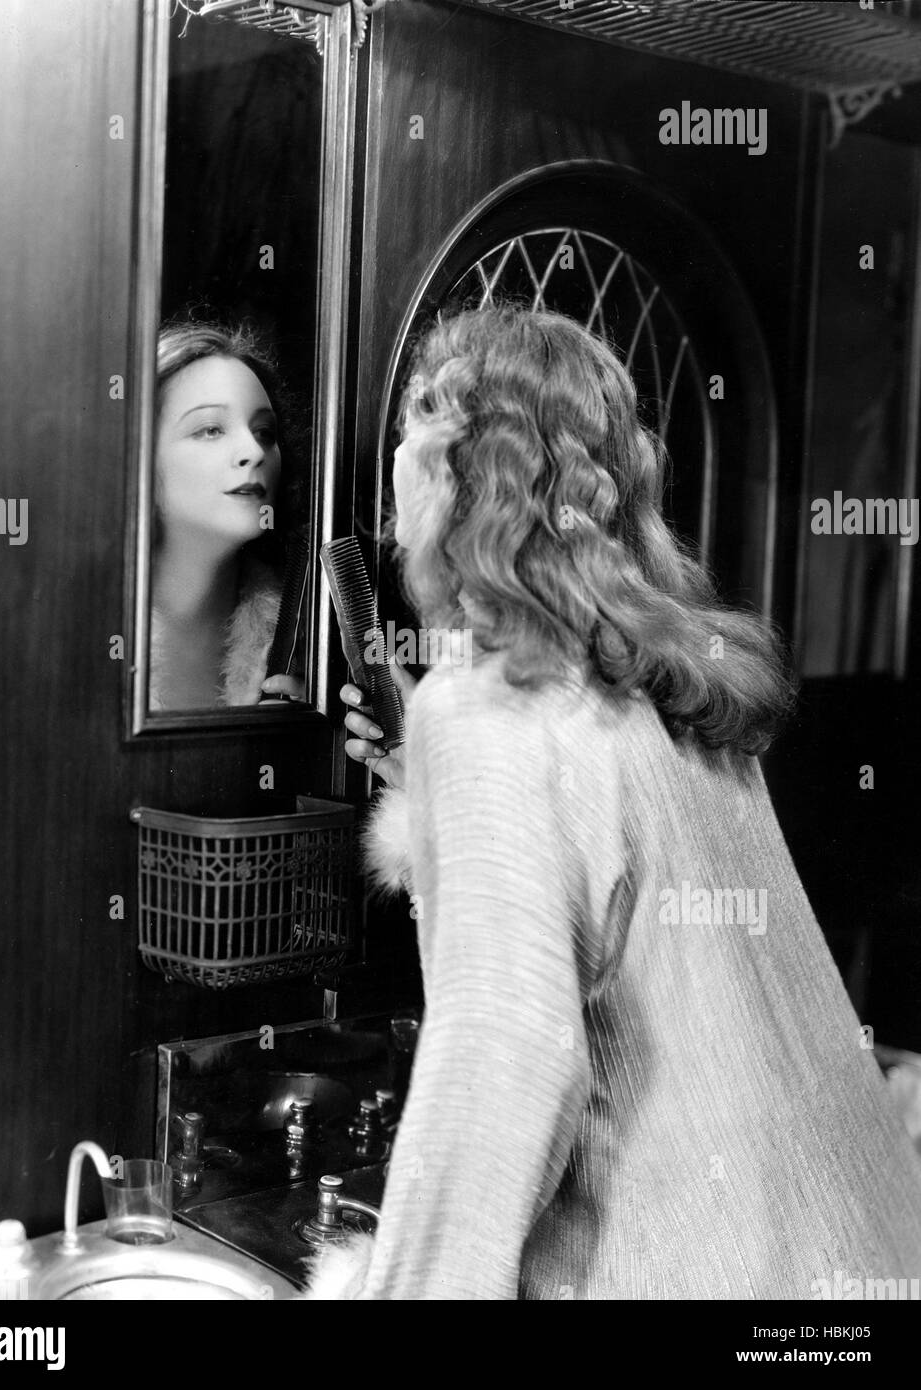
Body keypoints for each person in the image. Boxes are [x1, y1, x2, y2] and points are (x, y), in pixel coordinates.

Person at [312, 305, 921, 1300]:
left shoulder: (481, 709)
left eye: (409, 423)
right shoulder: (672, 677)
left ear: (441, 454)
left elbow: (503, 1068)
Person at [150, 321, 306, 710]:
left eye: (265, 433)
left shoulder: (307, 635)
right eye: (210, 429)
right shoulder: (76, 639)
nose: (253, 451)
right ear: (141, 454)